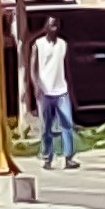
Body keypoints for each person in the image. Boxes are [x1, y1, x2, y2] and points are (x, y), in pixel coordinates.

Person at [32, 16, 79, 168]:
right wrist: (36, 86)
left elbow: (67, 69)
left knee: (67, 124)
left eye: (57, 25)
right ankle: (47, 157)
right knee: (46, 127)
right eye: (52, 26)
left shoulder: (63, 44)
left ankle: (68, 157)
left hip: (61, 91)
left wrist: (70, 90)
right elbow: (33, 68)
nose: (55, 28)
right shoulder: (38, 45)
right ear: (45, 27)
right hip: (45, 92)